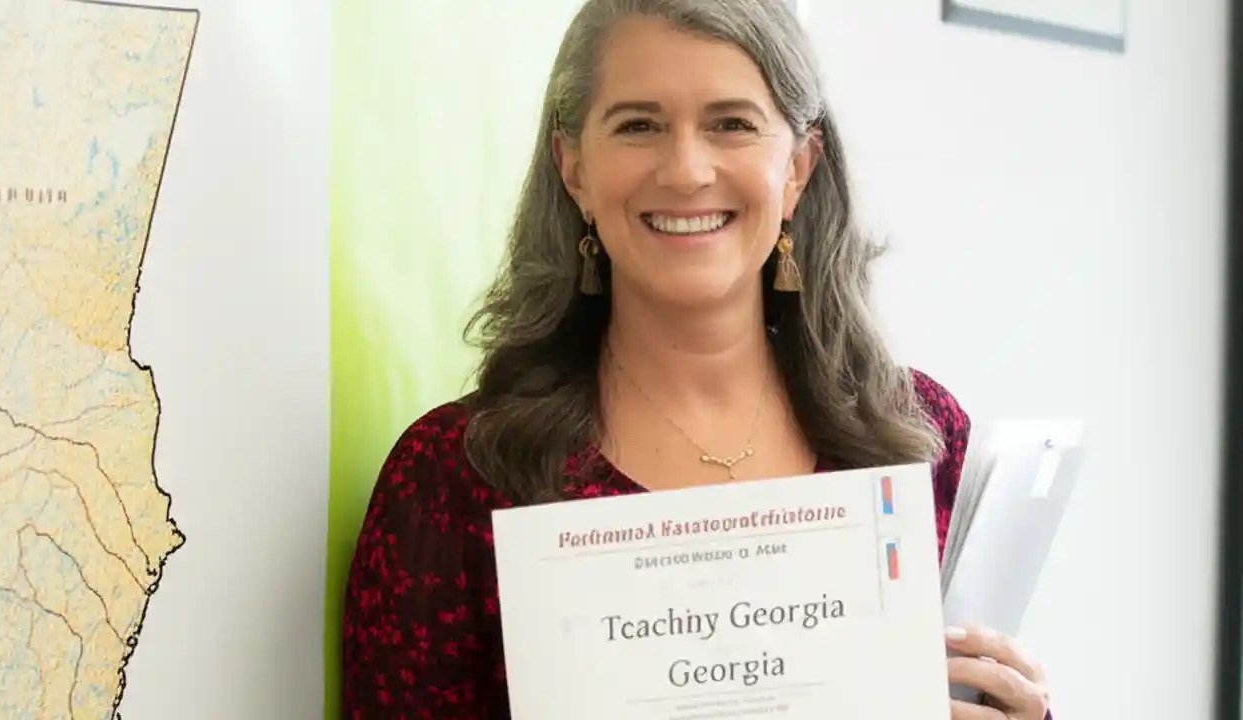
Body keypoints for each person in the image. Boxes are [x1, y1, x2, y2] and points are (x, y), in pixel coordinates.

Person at [341, 0, 1052, 718]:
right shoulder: (457, 475)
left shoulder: (919, 438)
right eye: (639, 125)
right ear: (574, 167)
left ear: (799, 167)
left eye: (731, 124)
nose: (685, 170)